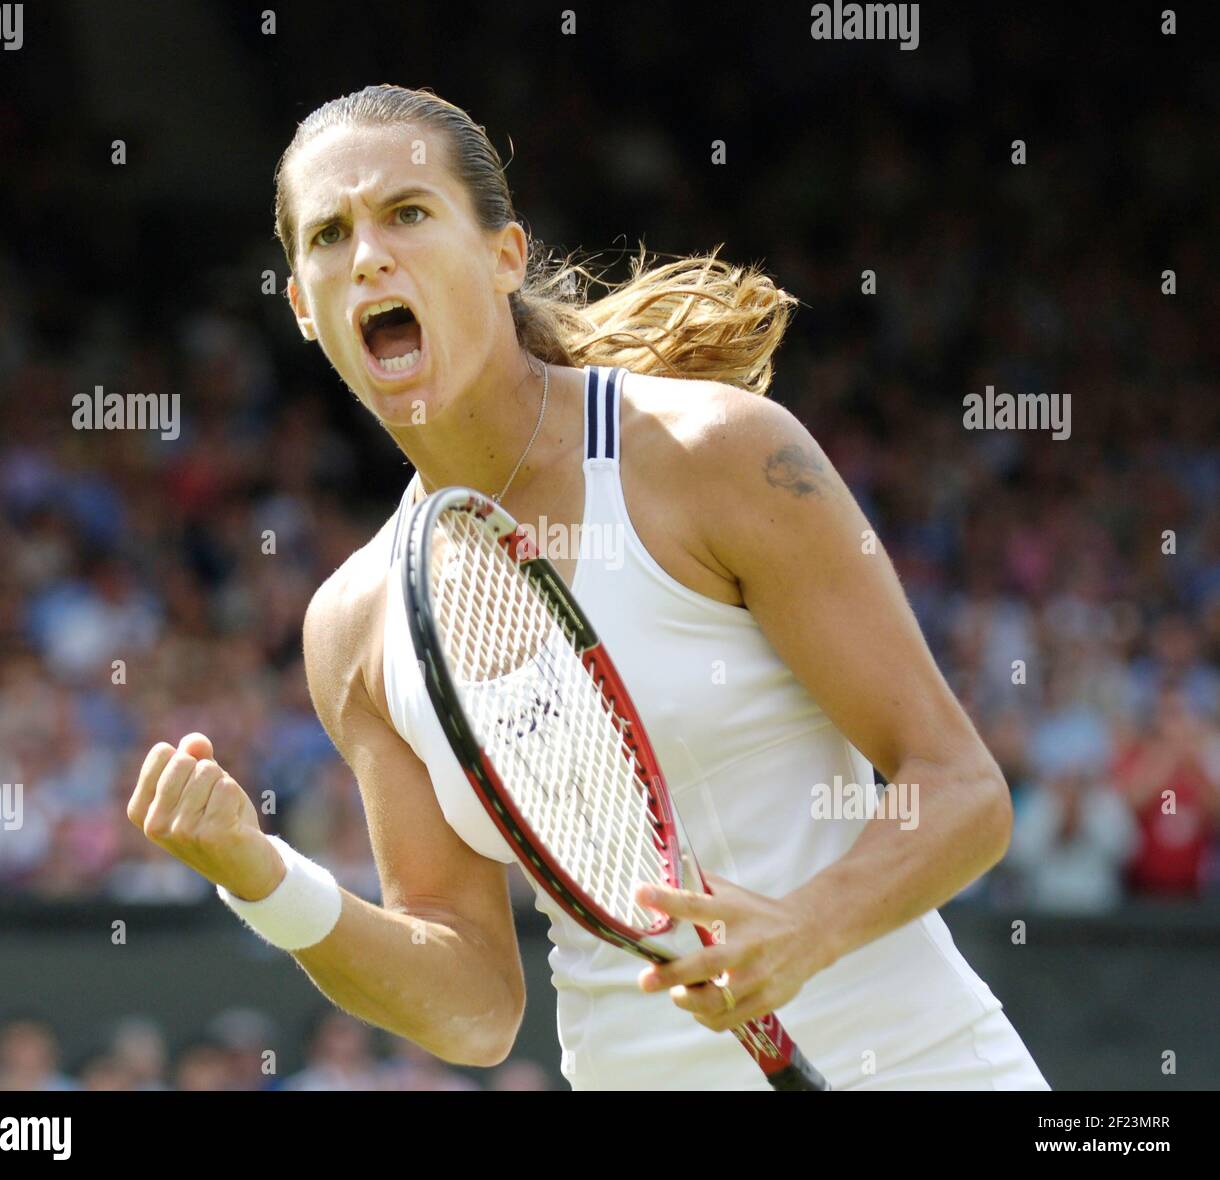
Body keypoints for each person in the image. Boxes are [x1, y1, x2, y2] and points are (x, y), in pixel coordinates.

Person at [128, 84, 1048, 1090]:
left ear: (503, 256)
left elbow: (961, 789)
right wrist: (265, 882)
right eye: (330, 234)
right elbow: (475, 1006)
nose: (369, 257)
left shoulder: (711, 454)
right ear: (304, 306)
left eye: (408, 213)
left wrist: (806, 929)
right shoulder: (356, 626)